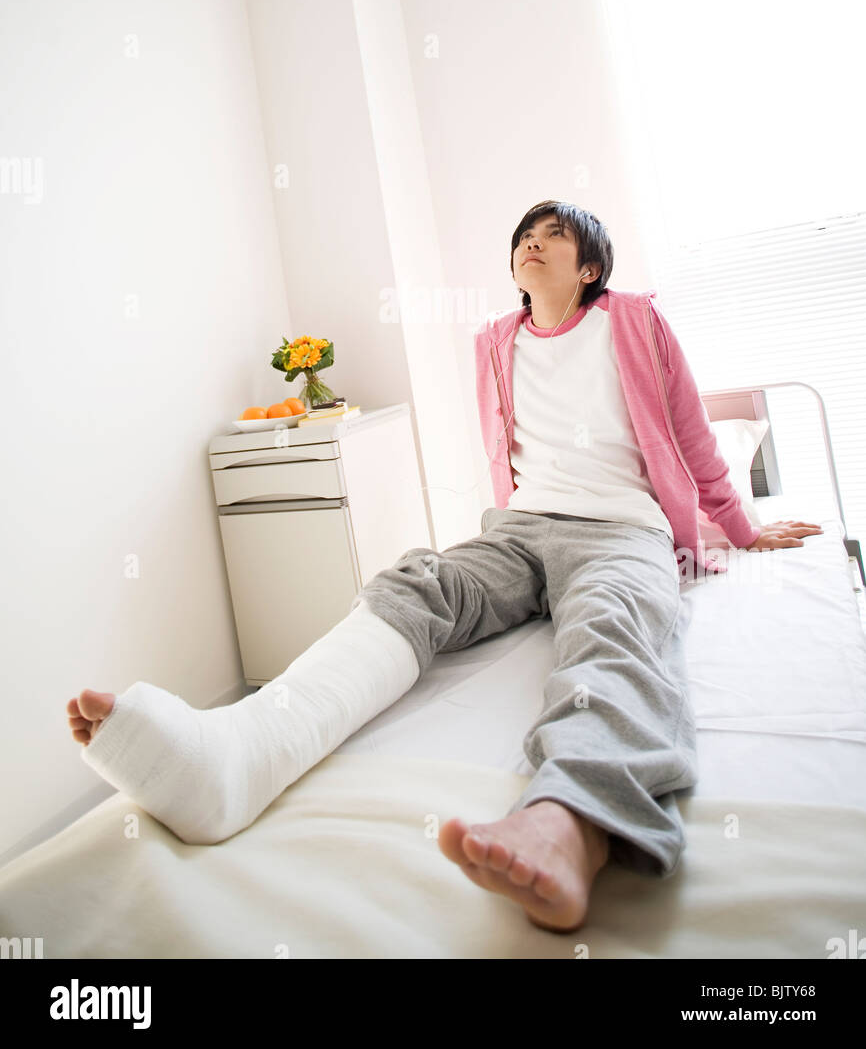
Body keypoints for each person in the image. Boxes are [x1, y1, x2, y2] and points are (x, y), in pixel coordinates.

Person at [68, 200, 823, 934]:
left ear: (590, 265)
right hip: (522, 529)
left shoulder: (632, 321)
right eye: (525, 234)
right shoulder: (496, 340)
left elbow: (692, 435)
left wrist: (741, 530)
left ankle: (571, 823)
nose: (533, 242)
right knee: (416, 583)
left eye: (555, 235)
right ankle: (240, 751)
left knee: (610, 627)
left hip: (621, 531)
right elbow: (509, 455)